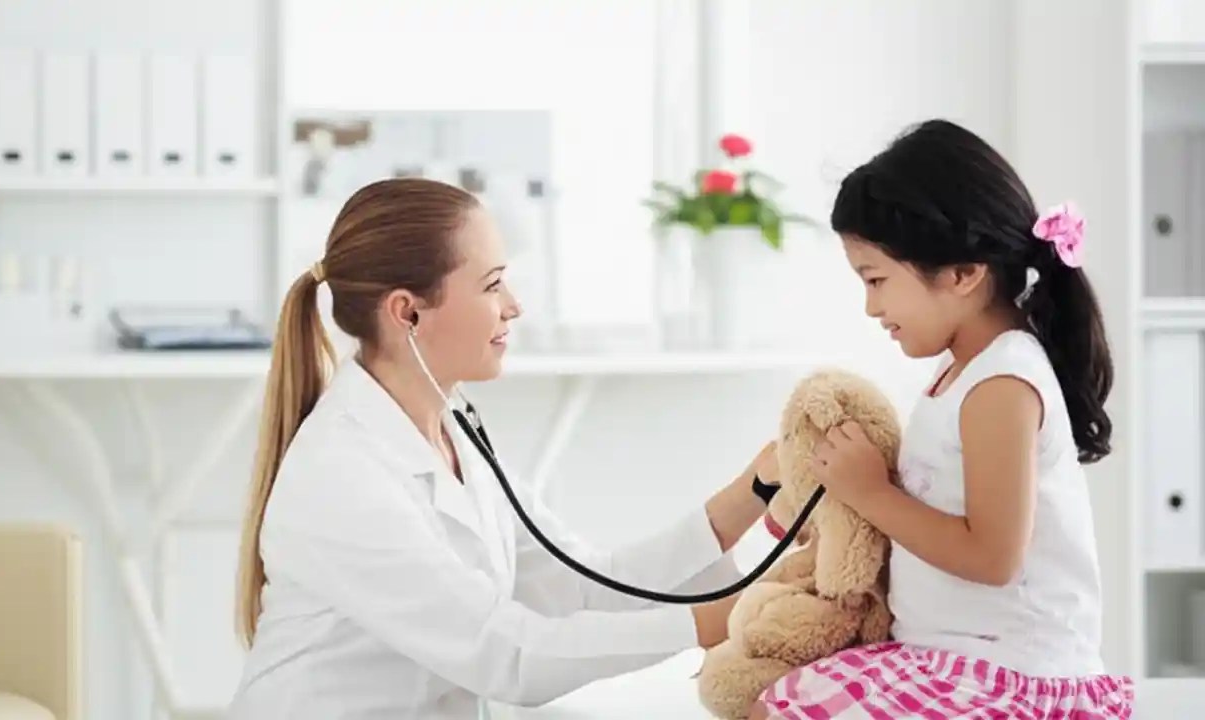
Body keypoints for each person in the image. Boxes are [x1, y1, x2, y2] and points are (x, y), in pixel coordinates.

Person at [227, 177, 779, 719]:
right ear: (406, 312)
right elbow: (505, 655)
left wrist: (758, 487)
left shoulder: (453, 431)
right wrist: (718, 621)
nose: (513, 307)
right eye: (492, 285)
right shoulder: (342, 475)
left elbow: (580, 584)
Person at [750, 120, 1135, 718]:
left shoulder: (1002, 385)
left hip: (1012, 676)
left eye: (876, 280)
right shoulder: (962, 373)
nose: (871, 307)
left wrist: (871, 491)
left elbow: (993, 557)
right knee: (777, 701)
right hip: (949, 653)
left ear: (962, 273)